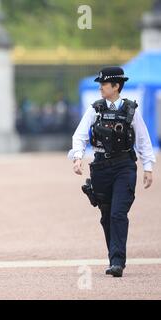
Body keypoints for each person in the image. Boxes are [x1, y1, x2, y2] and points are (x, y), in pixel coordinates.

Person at [69, 66, 156, 277]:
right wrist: (78, 156)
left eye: (104, 84)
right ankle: (113, 257)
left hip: (124, 166)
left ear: (116, 86)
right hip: (100, 167)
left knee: (118, 213)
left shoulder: (130, 110)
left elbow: (143, 140)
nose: (100, 87)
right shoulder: (95, 109)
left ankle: (118, 261)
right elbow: (79, 135)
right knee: (107, 215)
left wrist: (148, 167)